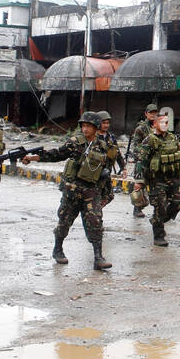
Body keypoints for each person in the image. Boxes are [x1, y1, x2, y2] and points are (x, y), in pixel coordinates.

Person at [23, 112, 113, 271]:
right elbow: (56, 155)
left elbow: (105, 172)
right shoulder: (75, 143)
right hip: (73, 190)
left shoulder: (103, 147)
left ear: (96, 128)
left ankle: (98, 257)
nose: (85, 129)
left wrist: (107, 195)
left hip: (91, 191)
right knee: (64, 221)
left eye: (89, 126)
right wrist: (33, 158)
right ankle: (58, 249)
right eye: (83, 126)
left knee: (95, 222)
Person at [133, 113, 180, 246]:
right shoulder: (150, 140)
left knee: (179, 202)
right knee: (160, 206)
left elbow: (179, 157)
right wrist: (139, 181)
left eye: (167, 123)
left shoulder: (173, 138)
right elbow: (141, 161)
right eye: (161, 122)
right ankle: (159, 236)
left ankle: (157, 220)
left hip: (173, 177)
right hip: (157, 179)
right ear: (155, 124)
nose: (164, 125)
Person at [126, 103, 160, 218]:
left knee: (157, 188)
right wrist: (142, 155)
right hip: (143, 162)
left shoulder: (159, 127)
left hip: (155, 163)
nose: (153, 115)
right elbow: (135, 146)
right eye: (151, 113)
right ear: (146, 114)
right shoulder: (140, 129)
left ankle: (158, 210)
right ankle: (137, 209)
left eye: (155, 113)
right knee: (140, 186)